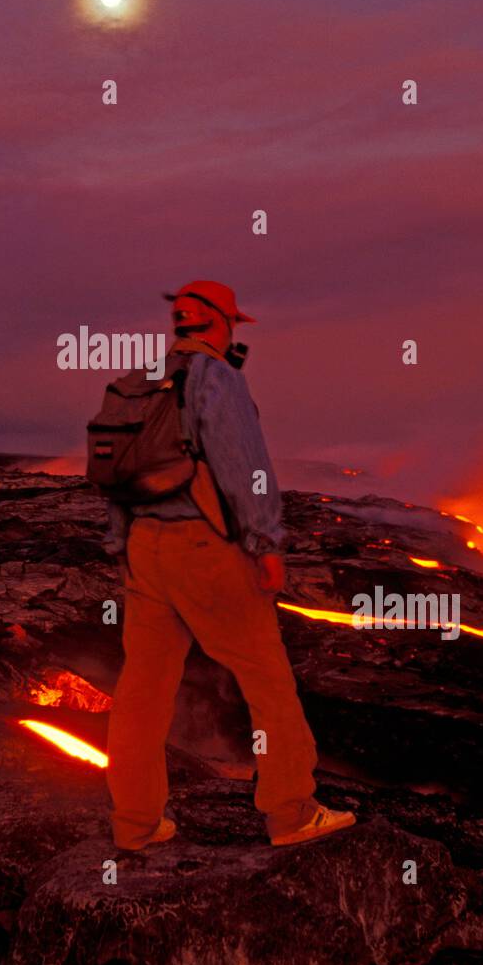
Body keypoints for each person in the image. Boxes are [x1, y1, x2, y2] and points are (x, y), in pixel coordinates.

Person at [104, 281, 356, 850]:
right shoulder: (218, 378)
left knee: (142, 692)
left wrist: (123, 546)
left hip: (146, 551)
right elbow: (247, 469)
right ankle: (292, 812)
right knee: (266, 680)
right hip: (206, 549)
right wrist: (266, 543)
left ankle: (136, 825)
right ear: (223, 322)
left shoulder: (137, 383)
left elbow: (115, 477)